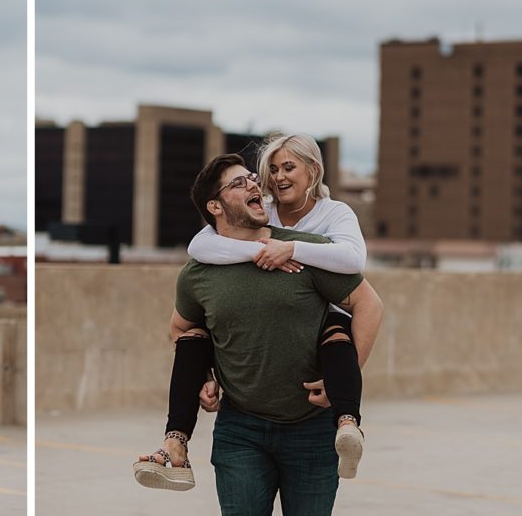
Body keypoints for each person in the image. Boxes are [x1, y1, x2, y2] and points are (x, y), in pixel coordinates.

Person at [168, 153, 383, 516]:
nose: (256, 186)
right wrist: (206, 376)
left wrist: (343, 380)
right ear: (216, 206)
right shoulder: (200, 273)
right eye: (240, 183)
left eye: (253, 178)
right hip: (241, 427)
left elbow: (367, 303)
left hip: (309, 427)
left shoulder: (302, 250)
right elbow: (181, 328)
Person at [134, 133, 366, 491]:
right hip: (242, 415)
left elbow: (354, 261)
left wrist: (291, 249)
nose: (276, 177)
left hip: (326, 316)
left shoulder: (334, 214)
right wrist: (261, 250)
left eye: (288, 167)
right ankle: (175, 445)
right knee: (194, 336)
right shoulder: (263, 212)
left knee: (336, 330)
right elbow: (202, 245)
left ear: (314, 170)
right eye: (271, 170)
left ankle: (348, 423)